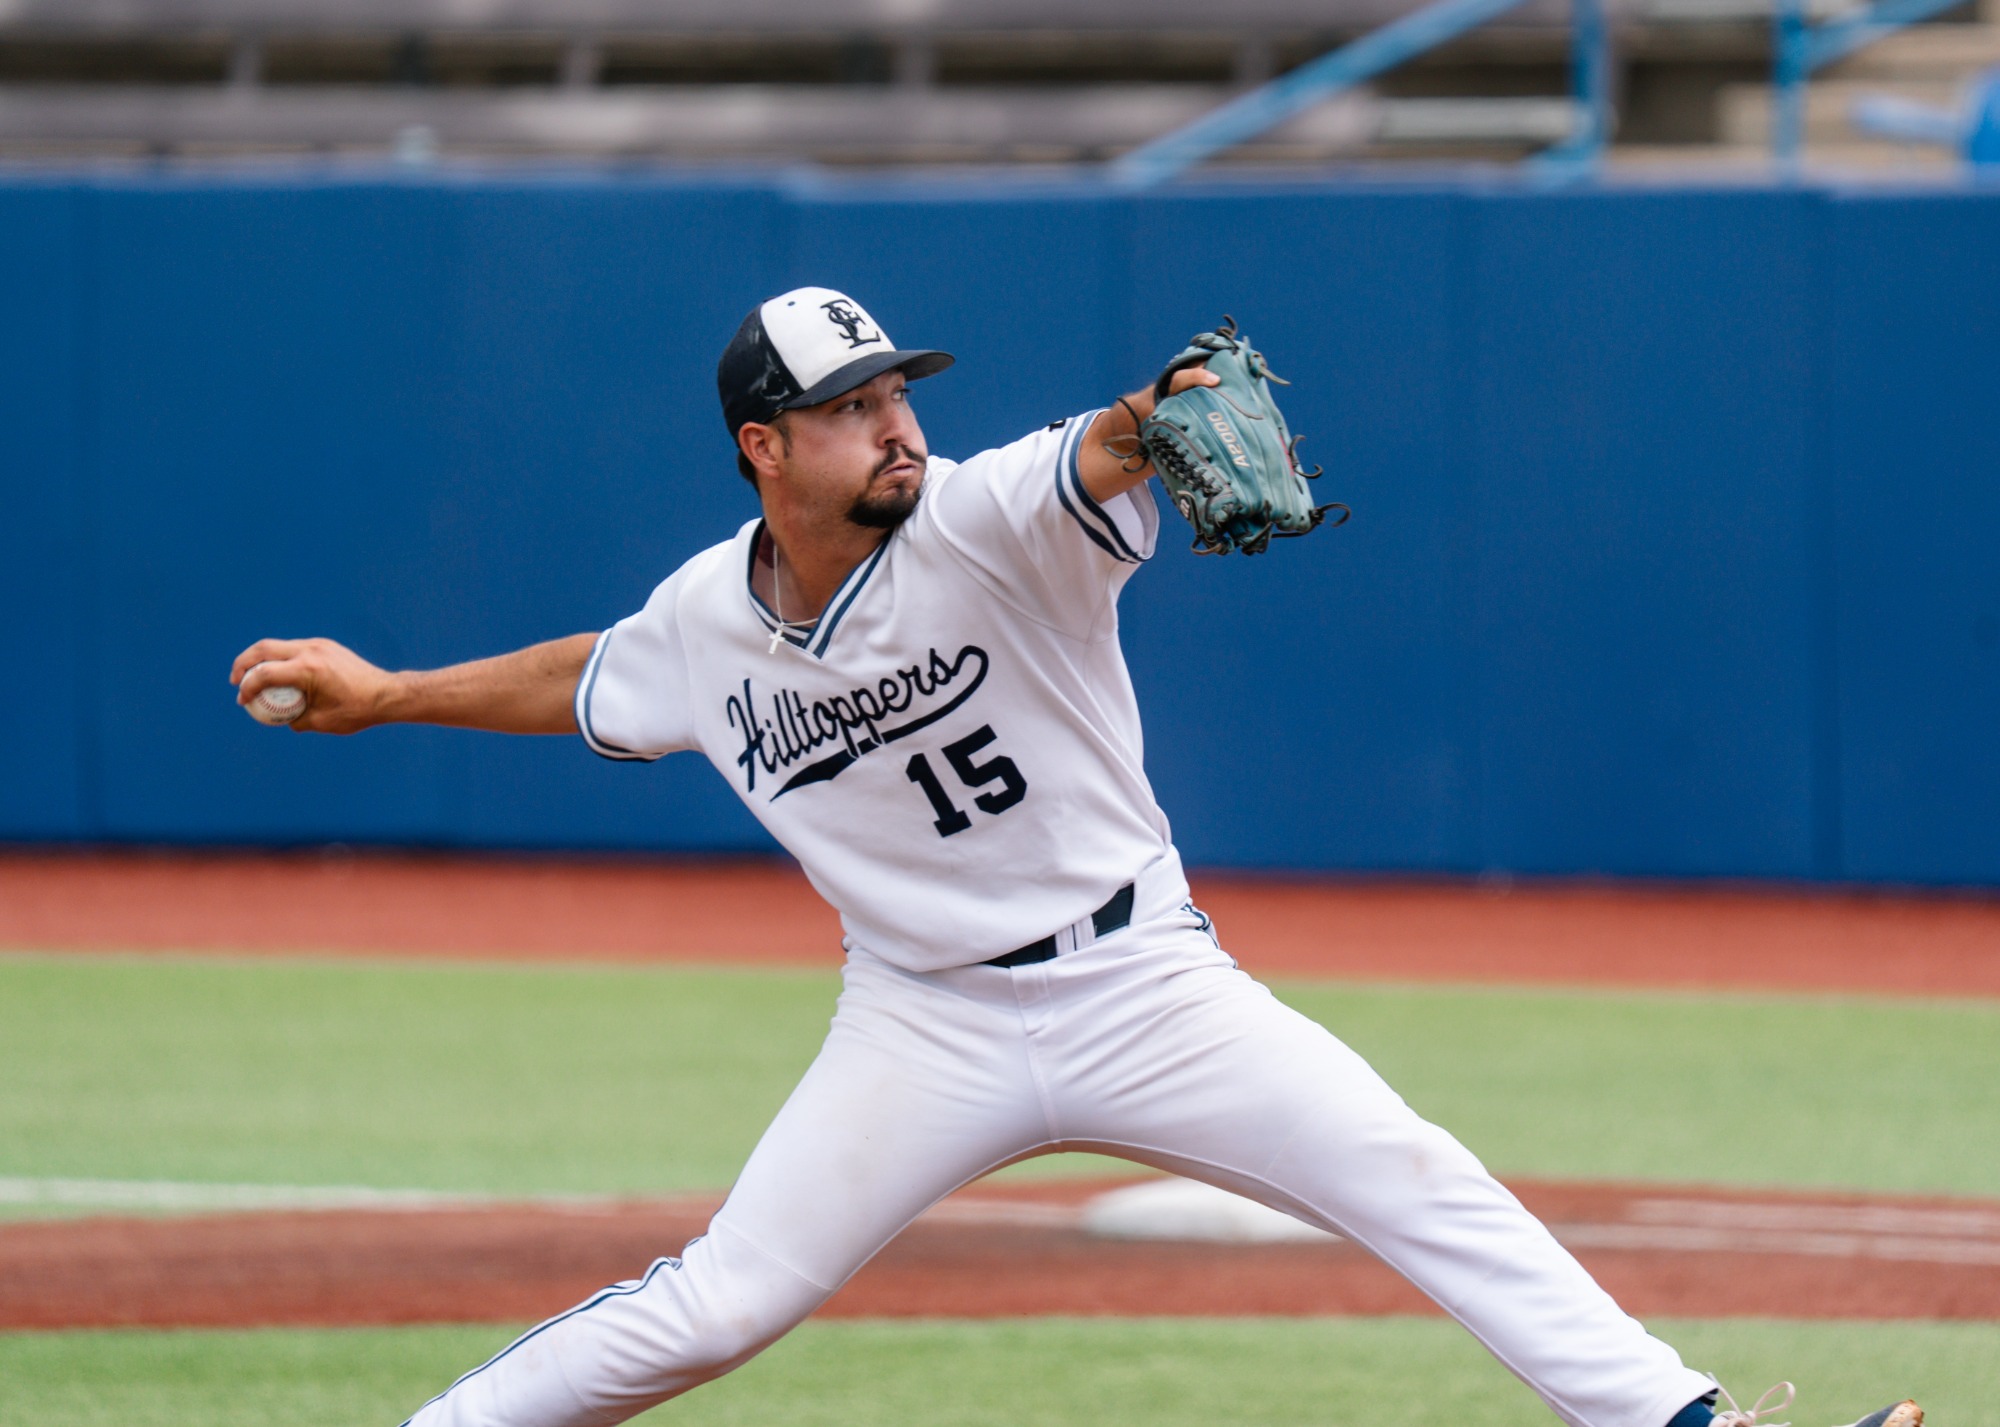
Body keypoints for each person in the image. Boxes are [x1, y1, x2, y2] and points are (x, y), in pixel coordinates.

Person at [232, 288, 1917, 1427]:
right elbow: (587, 672)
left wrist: (1159, 410)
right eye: (848, 407)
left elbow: (1102, 446)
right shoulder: (703, 621)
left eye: (896, 390)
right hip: (921, 1025)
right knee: (721, 1305)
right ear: (765, 447)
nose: (893, 423)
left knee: (1413, 1177)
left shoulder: (984, 514)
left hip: (1144, 980)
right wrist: (385, 697)